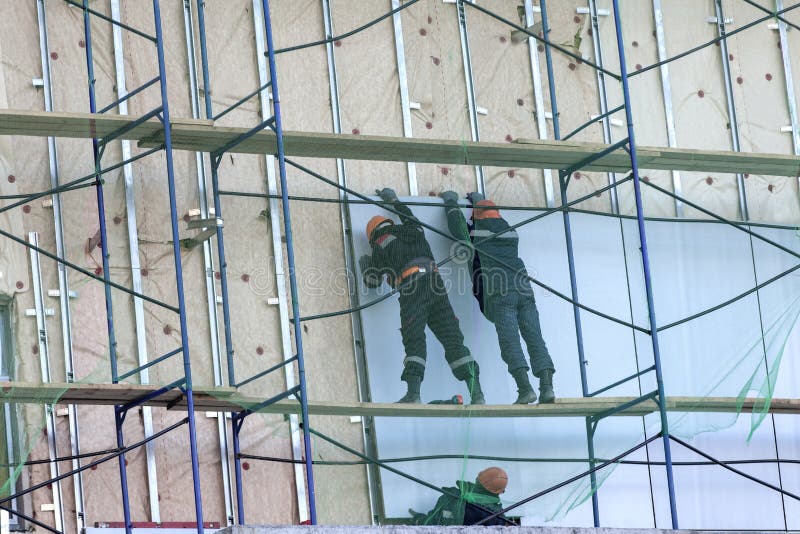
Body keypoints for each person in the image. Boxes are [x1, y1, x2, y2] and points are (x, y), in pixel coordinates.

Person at [359, 187, 485, 405]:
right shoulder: (414, 229)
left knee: (413, 336)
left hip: (412, 287)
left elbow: (373, 281)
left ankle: (413, 394)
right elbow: (406, 213)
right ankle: (477, 393)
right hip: (436, 284)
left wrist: (365, 266)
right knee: (452, 338)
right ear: (389, 224)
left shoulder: (380, 243)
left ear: (373, 236)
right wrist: (393, 199)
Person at [439, 190, 556, 404]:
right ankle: (547, 388)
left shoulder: (476, 233)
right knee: (535, 337)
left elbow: (457, 227)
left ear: (476, 217)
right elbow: (488, 215)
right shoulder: (510, 230)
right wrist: (478, 201)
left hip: (500, 292)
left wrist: (450, 201)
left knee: (510, 341)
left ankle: (525, 389)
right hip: (524, 289)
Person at [409, 466, 510, 526]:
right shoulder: (497, 516)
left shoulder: (451, 496)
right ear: (498, 492)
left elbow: (432, 521)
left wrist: (418, 519)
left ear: (478, 480)